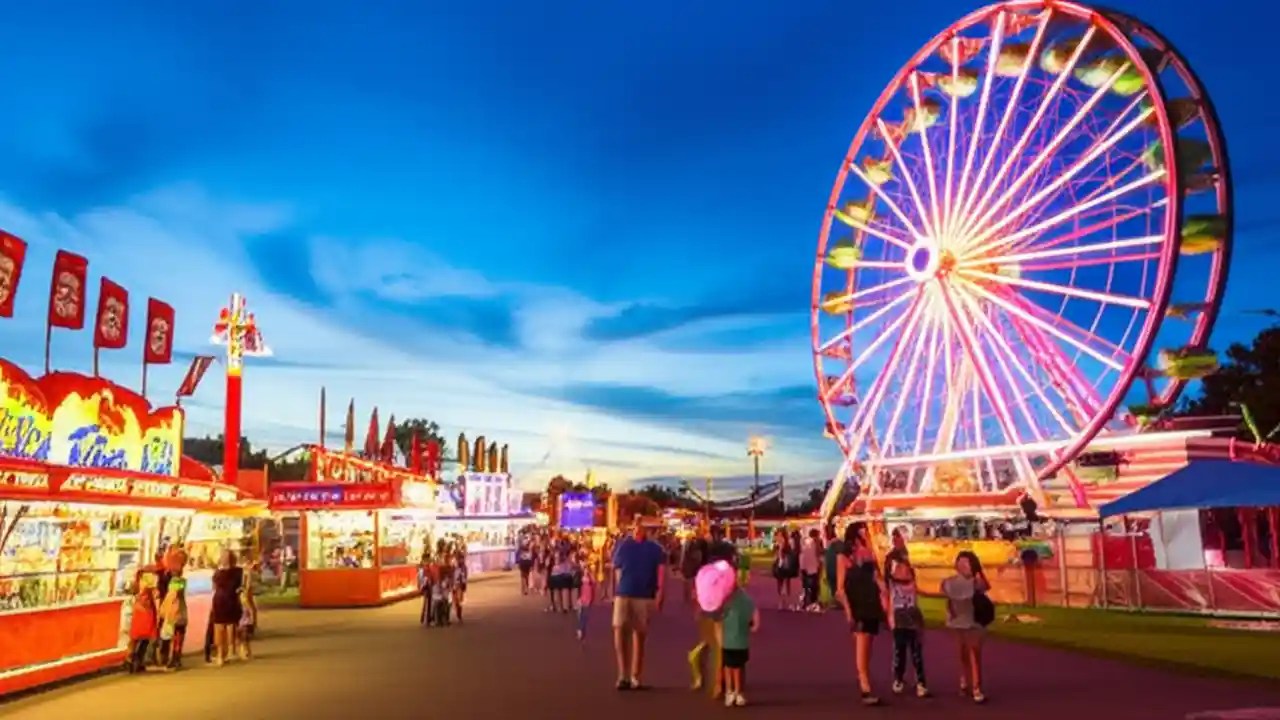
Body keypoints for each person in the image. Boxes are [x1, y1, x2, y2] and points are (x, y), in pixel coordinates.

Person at [836, 522, 887, 705]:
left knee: (868, 646)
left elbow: (877, 579)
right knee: (862, 643)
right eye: (864, 532)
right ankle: (865, 686)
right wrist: (848, 611)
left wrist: (885, 595)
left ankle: (865, 678)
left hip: (871, 603)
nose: (867, 534)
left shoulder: (867, 554)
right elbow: (840, 589)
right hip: (857, 604)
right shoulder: (844, 557)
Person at [611, 519, 666, 690]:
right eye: (635, 525)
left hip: (644, 595)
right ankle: (623, 675)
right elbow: (617, 571)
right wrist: (616, 591)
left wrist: (660, 594)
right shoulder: (622, 546)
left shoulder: (655, 549)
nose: (638, 528)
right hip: (624, 593)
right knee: (619, 631)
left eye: (642, 526)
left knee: (639, 635)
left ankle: (635, 675)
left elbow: (661, 572)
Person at [943, 550, 992, 704]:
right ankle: (964, 679)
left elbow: (985, 587)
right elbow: (948, 596)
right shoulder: (950, 582)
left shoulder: (976, 581)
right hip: (958, 620)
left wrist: (977, 576)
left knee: (974, 652)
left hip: (974, 621)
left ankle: (976, 687)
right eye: (960, 562)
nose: (962, 565)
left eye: (966, 562)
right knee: (962, 652)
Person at [887, 551, 928, 697]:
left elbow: (917, 600)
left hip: (912, 619)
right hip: (899, 620)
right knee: (900, 652)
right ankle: (898, 679)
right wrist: (891, 619)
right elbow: (891, 603)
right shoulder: (893, 585)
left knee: (916, 653)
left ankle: (921, 682)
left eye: (903, 569)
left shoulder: (913, 584)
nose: (900, 571)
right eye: (898, 569)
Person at [718, 582, 760, 707]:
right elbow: (755, 616)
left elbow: (718, 617)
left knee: (729, 667)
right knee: (738, 667)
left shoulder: (725, 600)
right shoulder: (746, 600)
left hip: (729, 640)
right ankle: (737, 692)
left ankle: (730, 692)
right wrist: (754, 626)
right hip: (740, 640)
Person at [210, 550, 244, 666]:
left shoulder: (218, 573)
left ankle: (220, 655)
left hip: (219, 600)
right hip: (232, 599)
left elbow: (214, 587)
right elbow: (240, 587)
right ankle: (231, 651)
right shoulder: (238, 572)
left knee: (219, 627)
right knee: (231, 625)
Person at [771, 531, 797, 610]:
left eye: (780, 536)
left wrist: (781, 550)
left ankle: (787, 601)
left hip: (785, 565)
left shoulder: (787, 545)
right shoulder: (777, 545)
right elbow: (775, 555)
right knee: (780, 583)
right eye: (778, 536)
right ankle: (781, 601)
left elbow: (790, 554)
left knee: (786, 582)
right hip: (779, 564)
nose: (779, 537)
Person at [799, 528, 822, 612]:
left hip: (804, 565)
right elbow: (818, 554)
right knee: (814, 586)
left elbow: (802, 554)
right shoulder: (816, 542)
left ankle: (805, 602)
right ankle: (813, 603)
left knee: (806, 586)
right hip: (813, 566)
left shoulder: (805, 542)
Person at [822, 523, 844, 608]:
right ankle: (838, 602)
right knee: (834, 585)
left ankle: (839, 602)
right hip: (833, 568)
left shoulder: (833, 544)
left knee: (835, 586)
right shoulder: (834, 543)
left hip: (834, 568)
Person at [576, 552, 595, 641]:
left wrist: (590, 575)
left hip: (588, 596)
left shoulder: (590, 577)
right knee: (580, 614)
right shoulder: (580, 575)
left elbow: (594, 583)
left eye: (587, 568)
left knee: (584, 615)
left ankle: (581, 630)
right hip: (581, 596)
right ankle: (580, 629)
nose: (586, 570)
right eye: (584, 568)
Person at [453, 552, 468, 624]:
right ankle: (458, 613)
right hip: (454, 585)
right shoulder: (454, 567)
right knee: (455, 601)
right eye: (459, 559)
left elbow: (465, 577)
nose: (460, 560)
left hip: (460, 586)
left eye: (461, 559)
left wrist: (464, 585)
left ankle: (459, 615)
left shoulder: (464, 567)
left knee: (459, 600)